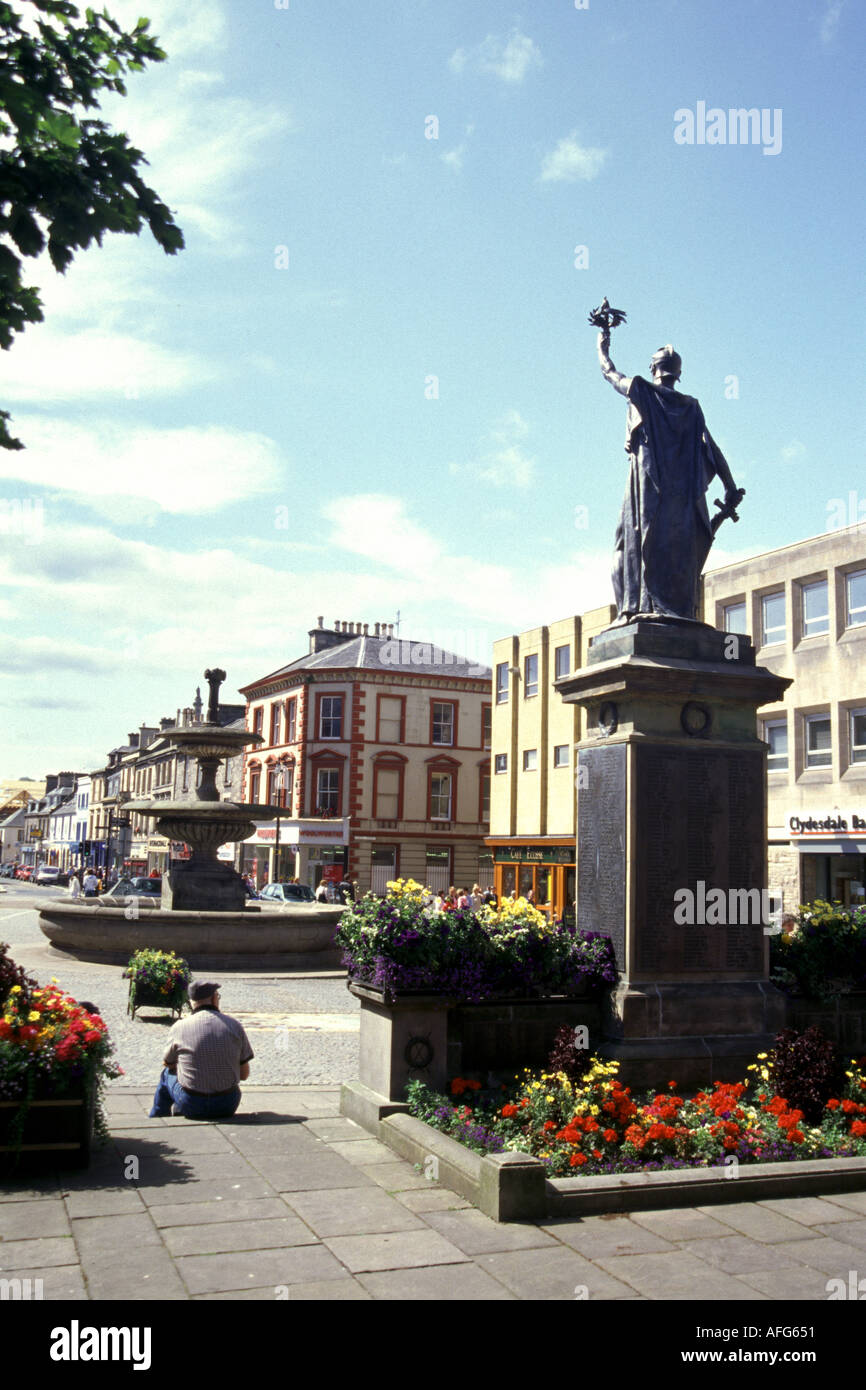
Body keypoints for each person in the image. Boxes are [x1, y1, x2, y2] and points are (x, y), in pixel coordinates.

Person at [597, 329, 742, 624]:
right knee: (674, 554)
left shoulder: (642, 391)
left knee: (624, 547)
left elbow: (610, 374)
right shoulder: (691, 406)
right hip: (681, 503)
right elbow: (711, 447)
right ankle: (659, 610)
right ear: (678, 374)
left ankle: (631, 609)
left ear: (653, 369)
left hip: (646, 494)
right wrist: (729, 486)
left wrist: (602, 345)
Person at [149, 981, 253, 1120]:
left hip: (192, 1103)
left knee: (167, 1074)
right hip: (227, 1104)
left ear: (191, 1002)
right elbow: (244, 1074)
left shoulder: (179, 1027)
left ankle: (157, 1117)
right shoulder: (234, 1025)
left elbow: (168, 1063)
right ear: (214, 998)